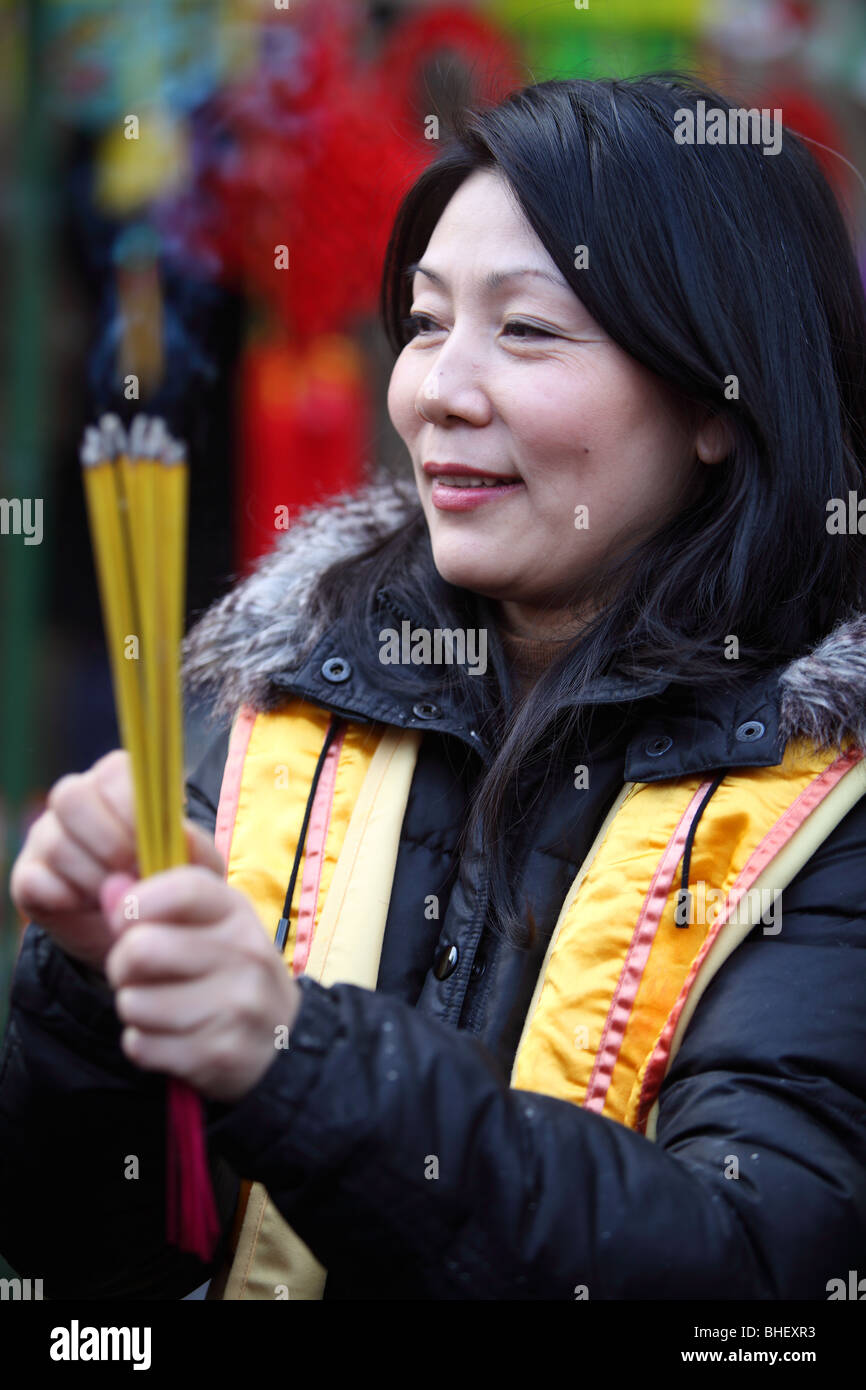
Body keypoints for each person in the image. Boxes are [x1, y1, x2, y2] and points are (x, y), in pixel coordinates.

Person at [3, 72, 866, 1301]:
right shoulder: (302, 696)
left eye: (525, 329)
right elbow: (98, 1262)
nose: (437, 391)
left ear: (715, 396)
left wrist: (288, 1052)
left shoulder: (824, 806)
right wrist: (90, 986)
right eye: (422, 322)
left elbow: (748, 1272)